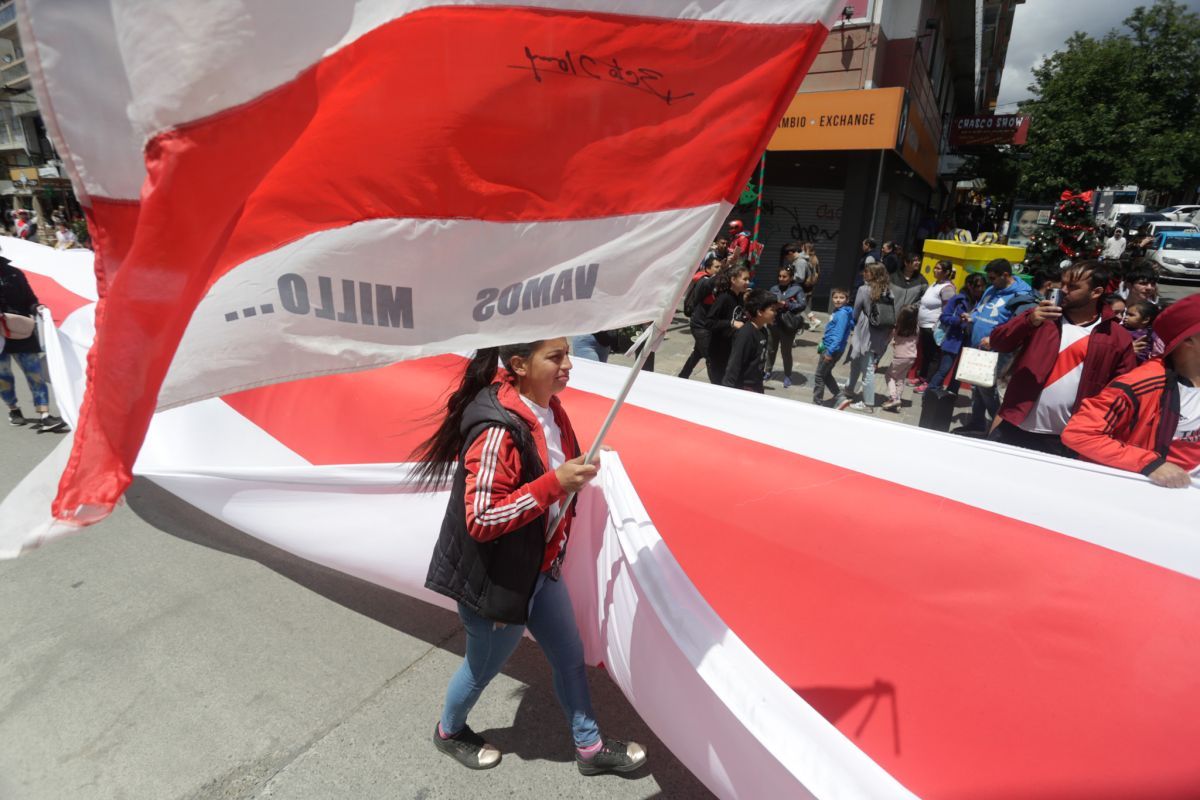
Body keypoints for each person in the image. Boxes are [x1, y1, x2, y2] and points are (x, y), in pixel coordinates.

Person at [414, 340, 647, 775]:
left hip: (541, 571)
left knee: (568, 658)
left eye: (566, 354)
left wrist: (582, 465)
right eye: (556, 357)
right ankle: (449, 731)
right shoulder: (497, 430)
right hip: (496, 585)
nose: (568, 364)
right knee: (480, 670)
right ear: (519, 365)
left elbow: (550, 469)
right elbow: (481, 517)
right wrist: (557, 482)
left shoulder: (551, 410)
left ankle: (590, 748)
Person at [985, 261, 1136, 455]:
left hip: (1065, 439)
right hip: (1014, 425)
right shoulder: (1040, 317)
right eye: (1062, 283)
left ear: (1096, 292)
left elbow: (1121, 389)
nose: (1062, 290)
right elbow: (998, 342)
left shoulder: (1116, 336)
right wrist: (1028, 320)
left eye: (1072, 287)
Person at [1063, 294, 1200, 487]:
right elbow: (1079, 434)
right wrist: (1149, 463)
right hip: (1148, 492)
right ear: (1188, 341)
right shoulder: (1141, 383)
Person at [959, 259, 1033, 432]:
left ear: (1005, 275)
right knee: (976, 386)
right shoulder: (993, 289)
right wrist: (972, 317)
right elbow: (982, 308)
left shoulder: (1021, 296)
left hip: (998, 351)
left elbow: (1017, 326)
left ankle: (997, 426)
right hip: (979, 348)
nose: (990, 282)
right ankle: (977, 423)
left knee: (986, 387)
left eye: (993, 278)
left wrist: (994, 340)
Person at [1, 256, 66, 431]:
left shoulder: (14, 274)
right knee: (3, 376)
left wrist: (37, 308)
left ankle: (44, 414)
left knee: (34, 372)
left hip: (21, 329)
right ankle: (14, 410)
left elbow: (30, 299)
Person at [837, 263, 892, 413]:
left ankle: (868, 403)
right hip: (879, 331)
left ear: (874, 274)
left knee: (867, 368)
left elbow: (855, 311)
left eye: (867, 272)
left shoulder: (863, 289)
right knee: (856, 361)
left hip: (864, 330)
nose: (864, 274)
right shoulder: (888, 290)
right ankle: (849, 389)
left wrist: (851, 324)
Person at [927, 272, 987, 396]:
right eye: (978, 286)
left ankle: (951, 396)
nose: (981, 289)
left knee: (960, 373)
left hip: (970, 341)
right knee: (944, 369)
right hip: (954, 339)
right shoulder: (958, 299)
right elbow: (944, 317)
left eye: (982, 286)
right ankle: (930, 394)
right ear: (969, 285)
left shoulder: (983, 302)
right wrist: (959, 320)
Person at [703, 265, 750, 386]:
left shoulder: (739, 297)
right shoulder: (724, 298)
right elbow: (709, 322)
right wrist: (731, 323)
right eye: (744, 279)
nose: (748, 282)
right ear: (733, 280)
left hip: (731, 351)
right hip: (718, 353)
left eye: (748, 279)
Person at [677, 253, 722, 379]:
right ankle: (717, 384)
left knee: (697, 353)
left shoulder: (712, 282)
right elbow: (709, 284)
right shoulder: (703, 281)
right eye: (717, 267)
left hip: (706, 325)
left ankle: (682, 376)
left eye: (720, 267)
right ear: (707, 268)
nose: (719, 270)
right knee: (710, 356)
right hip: (699, 326)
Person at [723, 289, 778, 393]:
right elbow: (734, 365)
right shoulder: (746, 334)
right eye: (772, 310)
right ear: (759, 312)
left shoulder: (763, 331)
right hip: (744, 388)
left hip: (756, 384)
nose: (775, 313)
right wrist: (727, 391)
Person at [765, 266, 805, 387]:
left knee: (786, 352)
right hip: (773, 323)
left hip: (788, 325)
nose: (781, 279)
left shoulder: (797, 289)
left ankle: (788, 375)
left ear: (791, 277)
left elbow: (802, 305)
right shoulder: (773, 288)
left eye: (784, 276)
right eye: (779, 276)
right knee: (771, 350)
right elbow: (766, 303)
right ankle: (768, 371)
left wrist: (785, 304)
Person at [812, 288, 853, 406]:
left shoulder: (842, 314)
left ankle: (817, 403)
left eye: (841, 298)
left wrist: (829, 352)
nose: (838, 300)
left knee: (819, 376)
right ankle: (840, 397)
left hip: (832, 349)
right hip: (831, 347)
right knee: (826, 373)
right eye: (835, 297)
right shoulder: (839, 311)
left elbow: (838, 336)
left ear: (847, 299)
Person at [882, 305, 919, 412]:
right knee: (900, 378)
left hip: (900, 357)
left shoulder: (897, 328)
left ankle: (894, 398)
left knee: (889, 375)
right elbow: (916, 341)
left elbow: (887, 340)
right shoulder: (916, 327)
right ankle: (897, 401)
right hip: (911, 357)